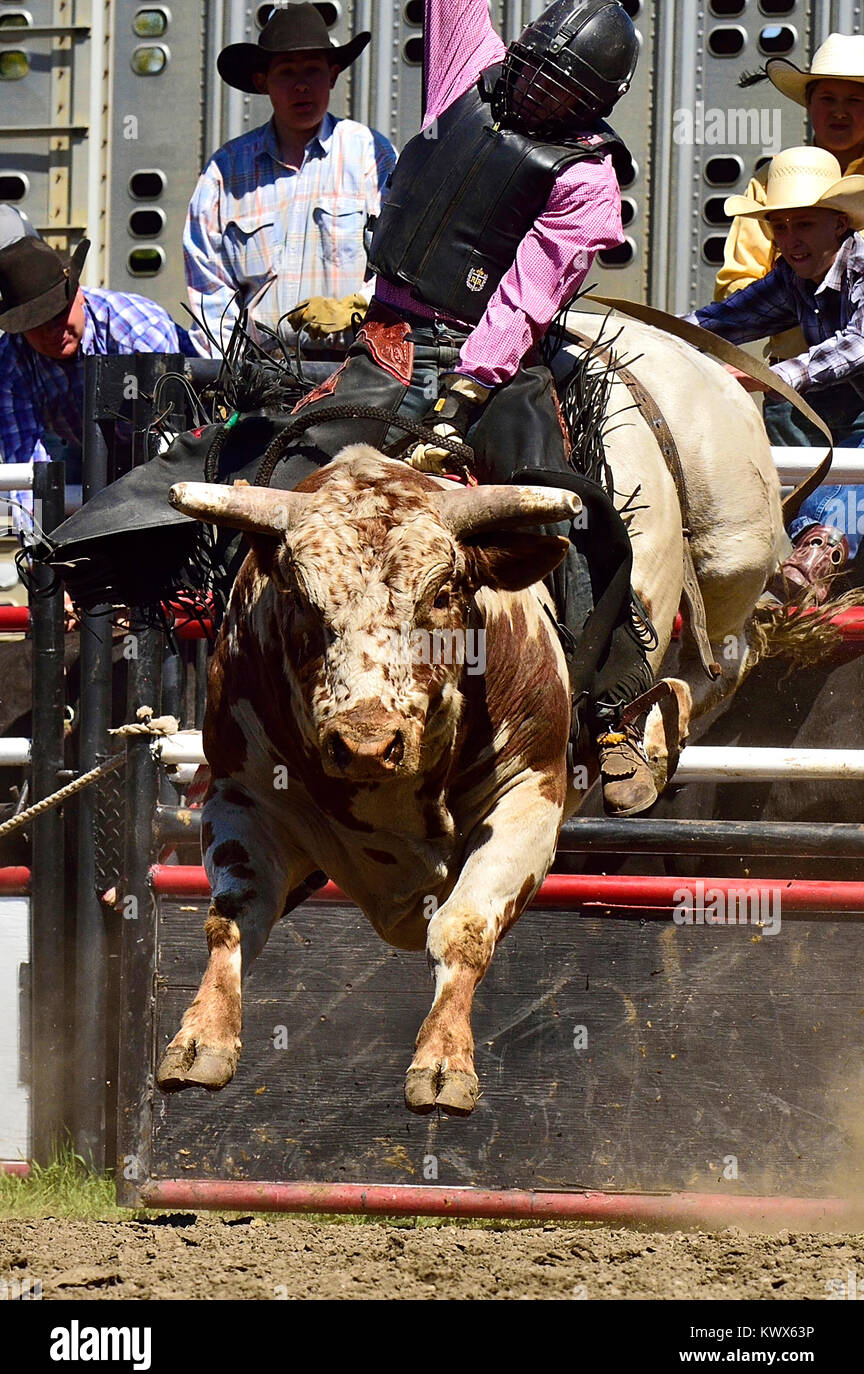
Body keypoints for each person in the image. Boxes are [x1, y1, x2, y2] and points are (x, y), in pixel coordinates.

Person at [273, 0, 657, 816]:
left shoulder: (585, 180)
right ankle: (229, 666)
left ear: (590, 106)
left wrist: (464, 397)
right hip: (386, 337)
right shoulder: (466, 69)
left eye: (564, 92)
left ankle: (607, 711)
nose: (541, 98)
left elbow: (526, 298)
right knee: (274, 466)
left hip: (496, 360)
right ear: (521, 54)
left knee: (553, 505)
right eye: (539, 74)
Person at [685, 147, 864, 599]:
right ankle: (811, 551)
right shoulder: (793, 277)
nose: (789, 239)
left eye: (803, 223)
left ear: (839, 224)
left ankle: (819, 550)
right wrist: (642, 337)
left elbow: (860, 345)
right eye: (779, 226)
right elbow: (718, 322)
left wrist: (768, 376)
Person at [183, 4, 397, 359]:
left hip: (355, 371)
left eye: (313, 70)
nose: (301, 85)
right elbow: (210, 290)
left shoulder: (371, 157)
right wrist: (231, 376)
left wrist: (363, 308)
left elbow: (401, 263)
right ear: (261, 82)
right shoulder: (226, 172)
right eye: (286, 72)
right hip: (260, 378)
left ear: (332, 75)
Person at [0, 229, 192, 528]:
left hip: (185, 448)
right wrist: (36, 539)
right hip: (91, 454)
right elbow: (26, 460)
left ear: (78, 294)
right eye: (37, 324)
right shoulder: (11, 363)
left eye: (58, 314)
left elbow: (167, 441)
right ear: (21, 330)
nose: (54, 331)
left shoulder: (136, 329)